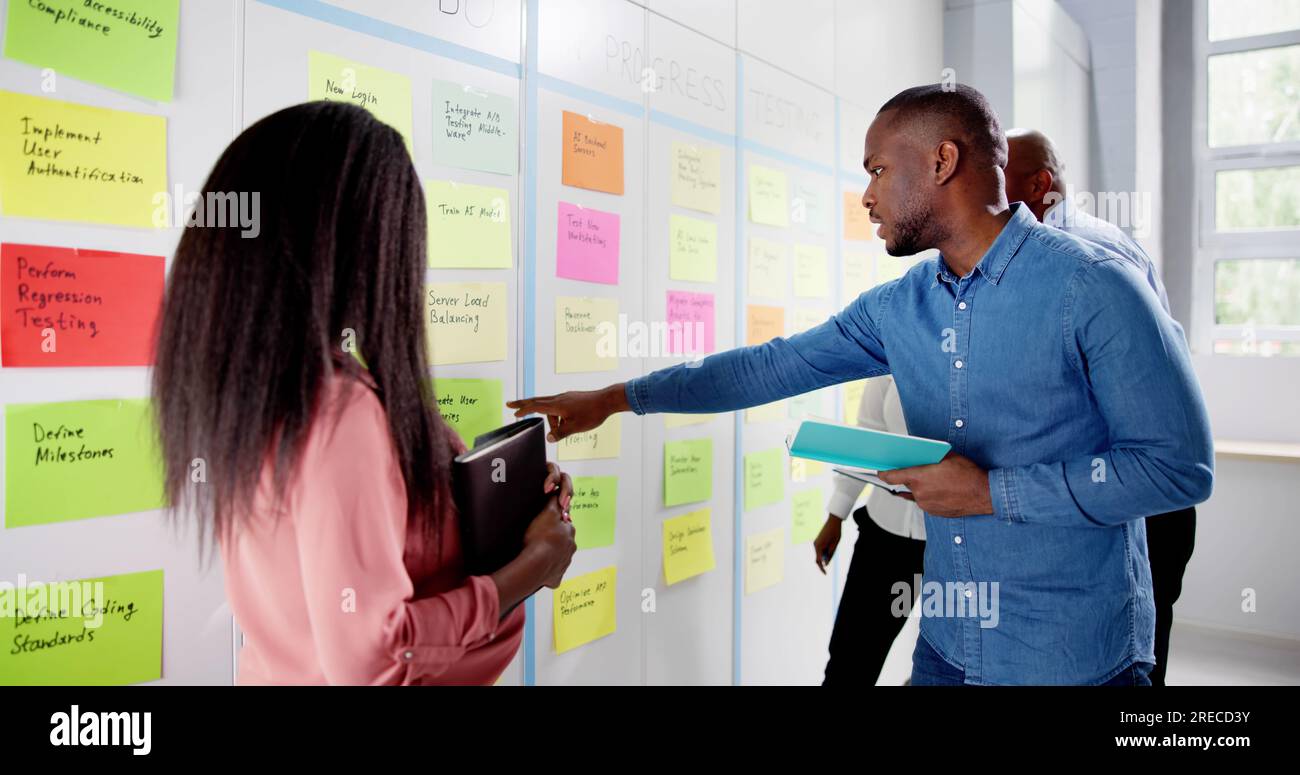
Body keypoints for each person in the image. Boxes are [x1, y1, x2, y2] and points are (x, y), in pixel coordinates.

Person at [508, 84, 1214, 685]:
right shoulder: (902, 305)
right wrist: (616, 398)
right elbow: (769, 366)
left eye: (877, 170)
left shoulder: (1093, 285)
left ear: (943, 160)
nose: (867, 197)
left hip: (1070, 660)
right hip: (946, 647)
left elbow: (1178, 467)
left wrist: (989, 492)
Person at [152, 101, 577, 685]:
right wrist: (534, 565)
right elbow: (372, 659)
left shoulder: (248, 392)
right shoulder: (339, 411)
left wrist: (495, 504)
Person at [1004, 127, 1198, 686]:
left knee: (1129, 661)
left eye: (1001, 179)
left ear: (1041, 184)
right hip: (1114, 490)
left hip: (1138, 496)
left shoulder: (1089, 254)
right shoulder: (1045, 255)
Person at [816, 376, 925, 685]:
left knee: (954, 664)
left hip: (961, 542)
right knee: (850, 662)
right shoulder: (889, 358)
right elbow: (868, 437)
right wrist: (837, 513)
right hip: (885, 535)